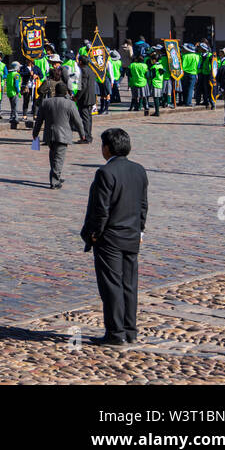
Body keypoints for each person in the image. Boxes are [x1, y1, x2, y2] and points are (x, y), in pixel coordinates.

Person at [81, 127, 148, 346]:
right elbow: (143, 206)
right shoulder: (139, 170)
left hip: (110, 237)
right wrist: (140, 230)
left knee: (111, 285)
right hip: (131, 235)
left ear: (108, 148)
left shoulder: (105, 173)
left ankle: (115, 332)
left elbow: (101, 209)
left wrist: (93, 234)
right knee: (129, 284)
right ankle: (130, 330)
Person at [32, 81, 83, 190]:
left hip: (49, 134)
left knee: (53, 156)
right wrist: (82, 134)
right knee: (58, 158)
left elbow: (39, 120)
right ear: (65, 93)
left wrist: (35, 133)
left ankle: (56, 176)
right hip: (63, 135)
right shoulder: (70, 104)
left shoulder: (46, 102)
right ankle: (55, 182)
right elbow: (78, 121)